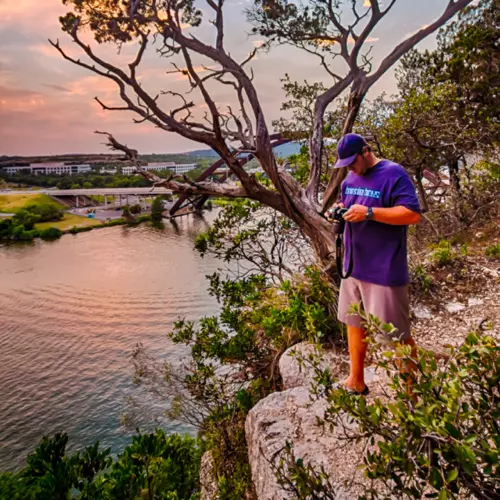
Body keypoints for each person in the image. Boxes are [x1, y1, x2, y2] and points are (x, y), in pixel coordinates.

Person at [328, 133, 421, 395]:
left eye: (352, 161)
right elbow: (349, 205)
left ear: (366, 152)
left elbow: (412, 215)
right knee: (353, 322)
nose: (349, 167)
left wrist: (369, 212)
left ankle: (411, 395)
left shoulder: (393, 173)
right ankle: (355, 380)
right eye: (344, 163)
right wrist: (339, 210)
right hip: (353, 265)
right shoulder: (349, 179)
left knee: (396, 335)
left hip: (383, 268)